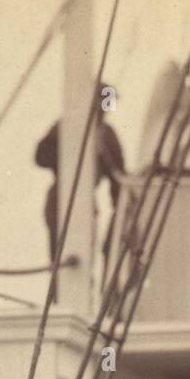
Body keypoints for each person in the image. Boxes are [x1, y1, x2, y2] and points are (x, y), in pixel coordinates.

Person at [35, 108, 126, 298]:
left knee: (84, 262)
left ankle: (80, 304)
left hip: (86, 202)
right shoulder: (65, 126)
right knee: (60, 262)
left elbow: (118, 175)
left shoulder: (106, 134)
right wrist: (66, 151)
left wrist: (121, 209)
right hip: (59, 199)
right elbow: (40, 156)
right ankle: (58, 306)